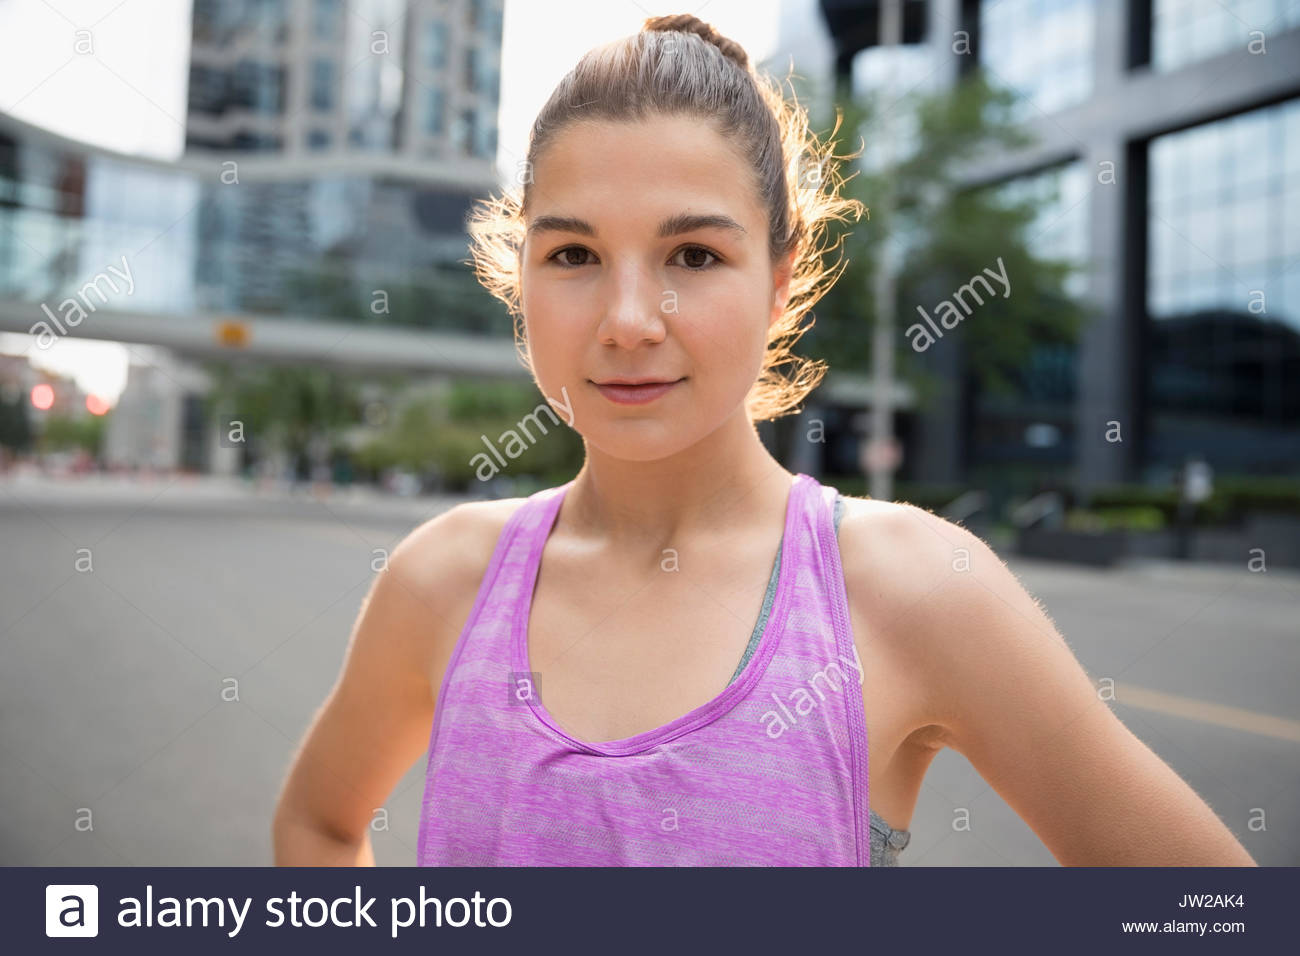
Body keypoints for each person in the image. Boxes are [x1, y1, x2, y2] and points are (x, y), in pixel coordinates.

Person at [271, 14, 1256, 867]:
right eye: (572, 253)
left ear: (782, 278)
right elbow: (319, 820)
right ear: (516, 275)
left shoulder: (910, 588)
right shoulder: (440, 579)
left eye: (692, 254)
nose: (626, 319)